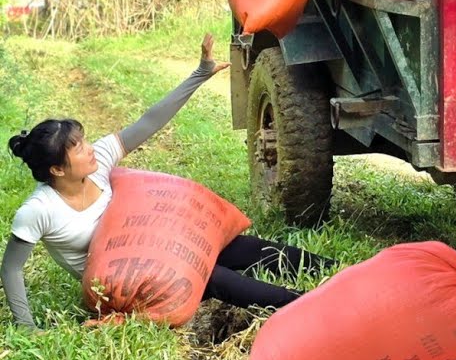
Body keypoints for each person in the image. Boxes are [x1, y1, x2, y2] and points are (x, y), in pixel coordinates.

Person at [2, 34, 329, 328]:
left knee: (235, 248)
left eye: (84, 141)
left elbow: (150, 120)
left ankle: (331, 268)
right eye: (77, 149)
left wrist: (198, 75)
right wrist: (26, 326)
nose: (89, 150)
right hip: (124, 282)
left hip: (153, 246)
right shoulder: (39, 210)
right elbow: (12, 269)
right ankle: (302, 306)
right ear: (57, 170)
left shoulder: (98, 163)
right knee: (208, 274)